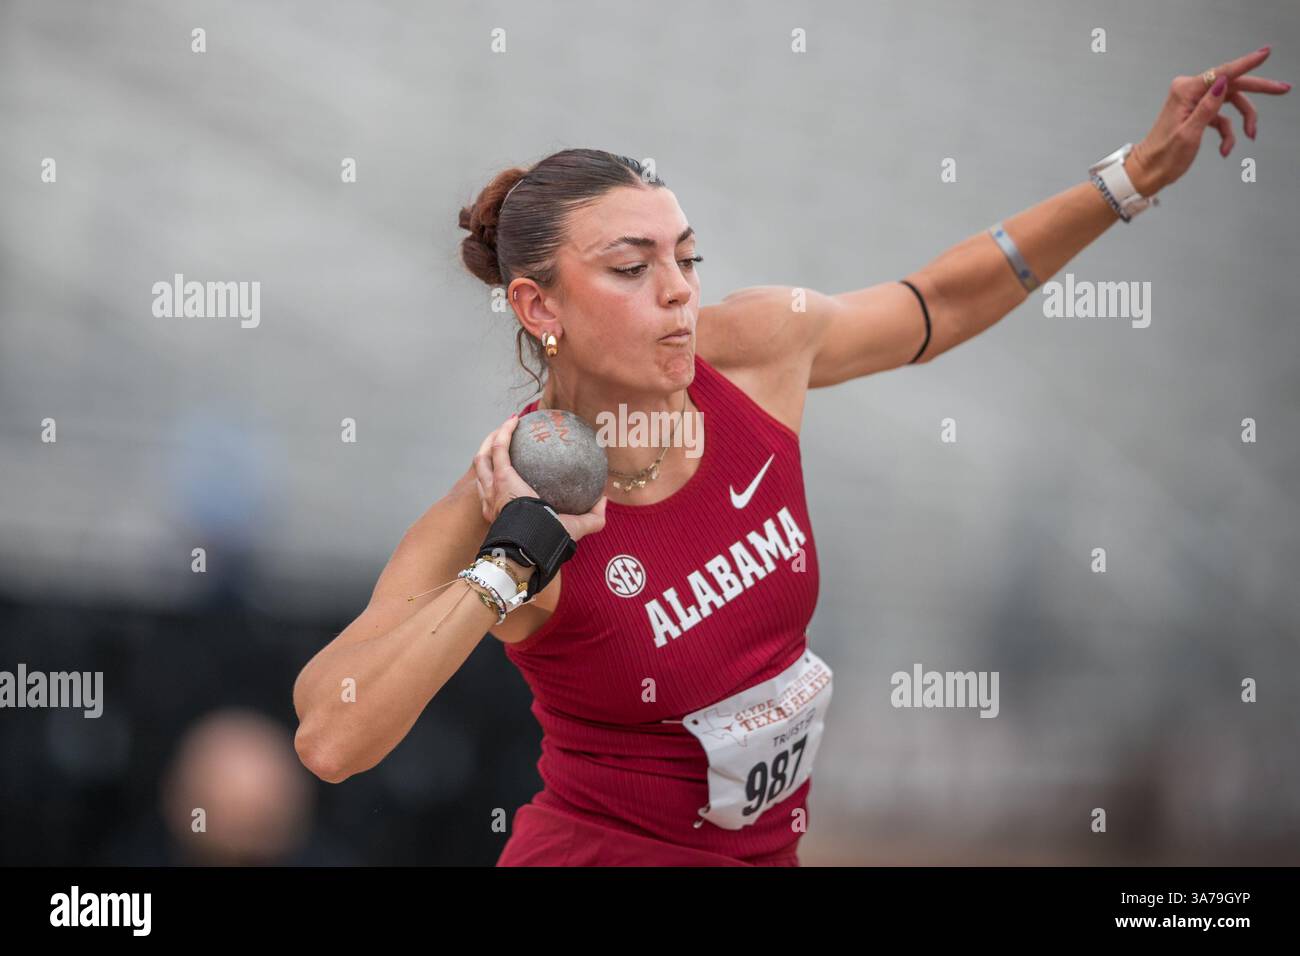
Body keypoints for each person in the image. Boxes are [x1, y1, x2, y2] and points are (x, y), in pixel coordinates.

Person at [291, 47, 1288, 865]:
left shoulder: (758, 347)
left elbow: (938, 300)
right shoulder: (509, 492)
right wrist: (510, 561)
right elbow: (331, 735)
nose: (678, 290)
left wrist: (1130, 179)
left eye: (687, 257)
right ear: (538, 306)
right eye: (633, 268)